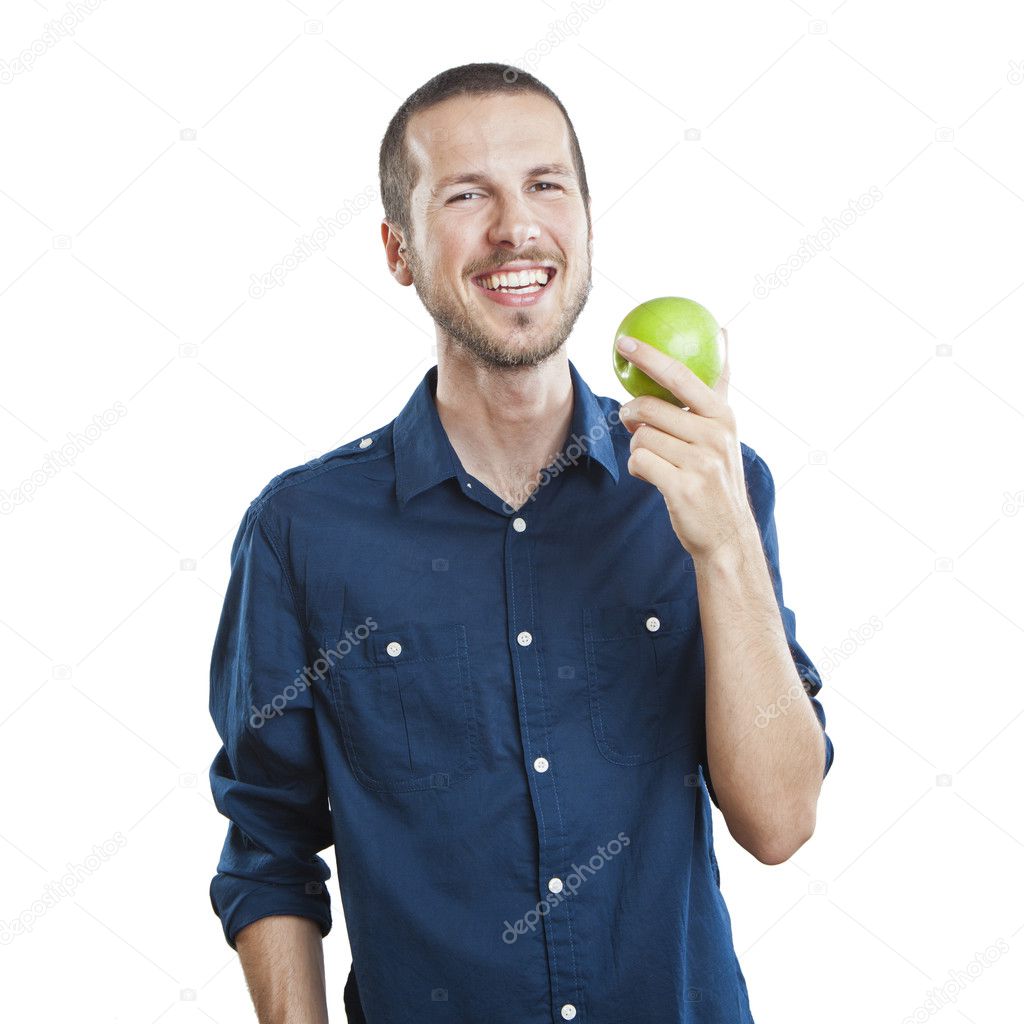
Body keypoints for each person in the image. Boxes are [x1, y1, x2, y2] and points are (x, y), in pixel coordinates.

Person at [207, 61, 834, 1024]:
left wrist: (722, 552)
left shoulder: (716, 487)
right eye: (467, 194)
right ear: (398, 249)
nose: (517, 227)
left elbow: (781, 823)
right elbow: (270, 841)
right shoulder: (301, 532)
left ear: (585, 221)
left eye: (547, 185)